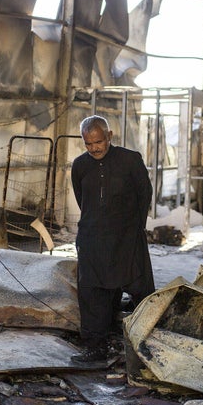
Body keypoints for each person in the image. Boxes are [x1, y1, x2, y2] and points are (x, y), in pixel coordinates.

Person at [70, 115, 155, 363]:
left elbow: (144, 194)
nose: (94, 148)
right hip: (92, 240)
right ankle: (96, 347)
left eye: (98, 142)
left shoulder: (130, 160)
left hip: (126, 238)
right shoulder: (80, 165)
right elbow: (82, 199)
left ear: (109, 136)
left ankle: (148, 345)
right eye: (88, 144)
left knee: (140, 289)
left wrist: (135, 229)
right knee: (92, 292)